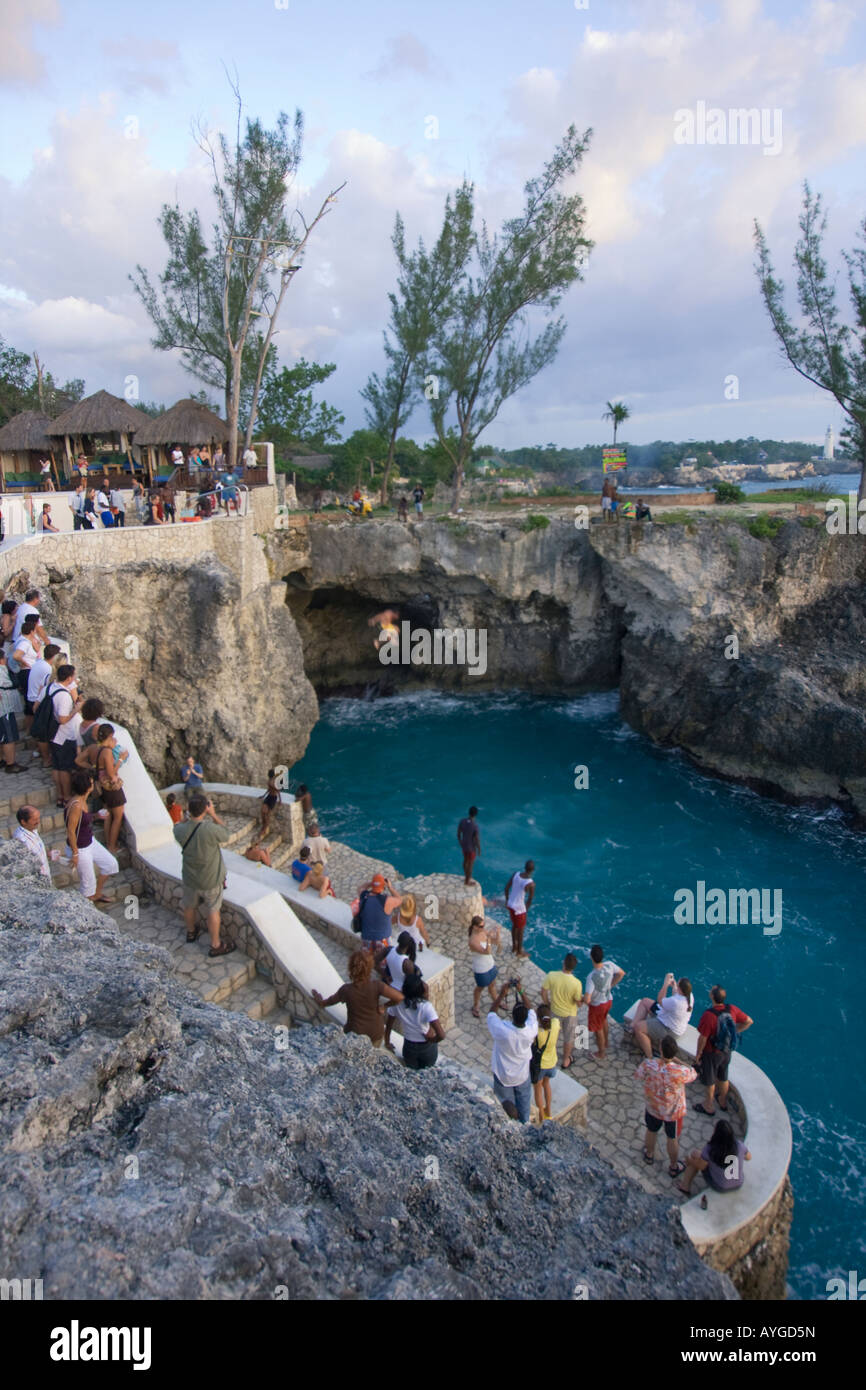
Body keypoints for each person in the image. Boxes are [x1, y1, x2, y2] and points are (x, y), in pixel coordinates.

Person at [173, 793, 235, 956]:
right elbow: (227, 833)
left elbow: (177, 826)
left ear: (189, 810)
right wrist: (213, 814)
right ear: (205, 810)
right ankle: (215, 945)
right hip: (210, 879)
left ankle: (191, 932)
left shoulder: (180, 830)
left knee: (189, 905)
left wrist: (187, 817)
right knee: (213, 910)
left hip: (190, 878)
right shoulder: (210, 830)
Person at [312, 949, 404, 1048]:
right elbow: (399, 997)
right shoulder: (377, 986)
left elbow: (327, 1002)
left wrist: (319, 999)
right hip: (376, 1032)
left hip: (356, 1034)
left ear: (351, 968)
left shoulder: (346, 990)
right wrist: (384, 1006)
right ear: (369, 968)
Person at [636, 1034, 697, 1177]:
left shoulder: (648, 1065)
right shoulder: (680, 1071)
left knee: (651, 1130)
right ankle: (674, 1166)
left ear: (660, 1050)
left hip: (653, 1107)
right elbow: (693, 1073)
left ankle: (649, 1154)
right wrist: (679, 1061)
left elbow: (638, 1075)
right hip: (673, 1112)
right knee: (672, 1138)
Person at [693, 986, 754, 1116]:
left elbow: (703, 1038)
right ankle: (722, 1101)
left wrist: (698, 1054)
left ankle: (708, 1106)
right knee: (723, 1075)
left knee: (710, 1080)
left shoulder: (709, 1015)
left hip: (712, 1052)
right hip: (726, 1051)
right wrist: (735, 1032)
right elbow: (749, 1021)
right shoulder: (732, 1009)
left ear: (712, 997)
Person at [487, 978, 538, 1123]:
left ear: (512, 1017)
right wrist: (521, 991)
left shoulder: (503, 1031)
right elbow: (531, 1011)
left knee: (506, 1109)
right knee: (524, 1108)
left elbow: (491, 1014)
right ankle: (525, 1126)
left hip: (503, 1076)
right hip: (522, 1075)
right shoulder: (530, 1030)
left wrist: (502, 994)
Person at [65, 770, 117, 904]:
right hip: (80, 848)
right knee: (88, 885)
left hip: (89, 841)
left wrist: (96, 816)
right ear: (87, 786)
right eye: (92, 783)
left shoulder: (83, 800)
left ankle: (97, 894)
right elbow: (70, 830)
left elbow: (82, 821)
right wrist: (75, 854)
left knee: (110, 864)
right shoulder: (76, 805)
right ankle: (87, 908)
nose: (93, 784)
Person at [385, 971, 444, 1069]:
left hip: (409, 1047)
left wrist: (387, 1042)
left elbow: (389, 1024)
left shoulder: (397, 1003)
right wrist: (432, 1039)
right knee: (428, 1072)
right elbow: (441, 1035)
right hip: (426, 1047)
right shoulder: (426, 1007)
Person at [677, 1118, 751, 1196]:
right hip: (738, 1184)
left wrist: (689, 1160)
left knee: (695, 1159)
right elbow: (748, 1157)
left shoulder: (711, 1149)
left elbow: (701, 1166)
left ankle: (685, 1187)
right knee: (699, 1155)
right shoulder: (738, 1145)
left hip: (720, 1186)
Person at [631, 975, 694, 1059]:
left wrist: (665, 984)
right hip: (668, 1018)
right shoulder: (689, 996)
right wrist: (674, 986)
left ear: (680, 989)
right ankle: (631, 1027)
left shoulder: (676, 1002)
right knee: (645, 1001)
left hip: (669, 1029)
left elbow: (660, 999)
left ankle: (649, 1057)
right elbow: (676, 994)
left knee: (638, 1028)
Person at [49, 664, 83, 807]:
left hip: (53, 736)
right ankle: (67, 796)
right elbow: (63, 719)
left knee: (57, 767)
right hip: (64, 736)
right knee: (64, 769)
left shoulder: (51, 687)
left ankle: (60, 796)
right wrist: (76, 710)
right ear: (69, 678)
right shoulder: (63, 696)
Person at [542, 953, 584, 1068]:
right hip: (570, 1014)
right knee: (568, 1038)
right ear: (573, 967)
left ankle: (549, 1053)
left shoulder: (552, 975)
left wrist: (547, 1003)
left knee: (553, 1033)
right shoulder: (577, 983)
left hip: (554, 1011)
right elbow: (579, 1004)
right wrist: (583, 1000)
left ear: (563, 963)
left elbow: (544, 991)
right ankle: (566, 1060)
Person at [584, 944, 625, 1060]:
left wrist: (583, 999)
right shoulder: (610, 965)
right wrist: (611, 985)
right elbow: (621, 973)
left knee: (598, 1029)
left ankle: (601, 1053)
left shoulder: (591, 977)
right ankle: (606, 1042)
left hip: (597, 1005)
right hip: (608, 1000)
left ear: (591, 958)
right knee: (603, 1020)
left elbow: (587, 999)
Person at [94, 723, 127, 855]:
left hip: (103, 786)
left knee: (108, 815)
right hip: (111, 787)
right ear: (111, 736)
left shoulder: (98, 749)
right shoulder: (107, 752)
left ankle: (109, 843)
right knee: (117, 817)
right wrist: (120, 758)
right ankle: (112, 846)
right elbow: (111, 773)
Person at [355, 872, 403, 952]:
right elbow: (400, 900)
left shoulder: (364, 896)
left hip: (367, 938)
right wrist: (390, 887)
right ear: (383, 886)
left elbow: (359, 888)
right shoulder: (387, 901)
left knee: (367, 962)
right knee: (383, 962)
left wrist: (372, 883)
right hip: (383, 940)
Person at [532, 1004, 560, 1124]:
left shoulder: (537, 1033)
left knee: (538, 1088)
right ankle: (548, 1110)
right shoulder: (556, 1024)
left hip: (540, 1065)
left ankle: (542, 1115)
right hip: (552, 1062)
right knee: (546, 1084)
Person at [469, 914, 501, 1017]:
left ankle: (496, 1000)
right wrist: (488, 939)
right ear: (474, 927)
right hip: (481, 968)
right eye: (481, 926)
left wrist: (498, 933)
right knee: (480, 988)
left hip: (490, 964)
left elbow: (495, 942)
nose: (483, 928)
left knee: (492, 984)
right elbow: (487, 951)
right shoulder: (472, 941)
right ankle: (475, 1005)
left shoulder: (483, 932)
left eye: (483, 925)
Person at [0, 652, 25, 774]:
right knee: (9, 737)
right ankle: (11, 764)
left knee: (3, 736)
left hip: (4, 708)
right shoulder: (1, 670)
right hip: (4, 709)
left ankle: (2, 760)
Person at [505, 860, 535, 958]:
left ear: (524, 867)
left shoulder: (516, 874)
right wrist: (525, 909)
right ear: (533, 870)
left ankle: (514, 946)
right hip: (519, 909)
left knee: (514, 926)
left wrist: (507, 901)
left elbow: (506, 888)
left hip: (511, 905)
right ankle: (519, 952)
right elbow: (530, 899)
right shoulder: (530, 884)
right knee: (521, 930)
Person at [13, 805, 50, 877]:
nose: (38, 821)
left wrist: (47, 854)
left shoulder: (32, 829)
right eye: (34, 820)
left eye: (38, 818)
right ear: (23, 822)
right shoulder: (21, 839)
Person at [457, 805, 481, 885]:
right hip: (471, 849)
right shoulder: (475, 826)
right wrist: (479, 849)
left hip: (464, 847)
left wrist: (461, 842)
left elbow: (458, 834)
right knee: (470, 865)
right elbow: (477, 839)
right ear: (476, 814)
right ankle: (467, 881)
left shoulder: (462, 821)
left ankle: (466, 876)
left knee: (465, 862)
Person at [260, 769, 280, 837]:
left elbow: (277, 791)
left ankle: (264, 829)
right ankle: (264, 825)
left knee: (267, 814)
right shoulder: (270, 781)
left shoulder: (273, 782)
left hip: (273, 798)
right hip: (269, 796)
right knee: (263, 811)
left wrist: (280, 800)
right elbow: (269, 789)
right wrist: (264, 795)